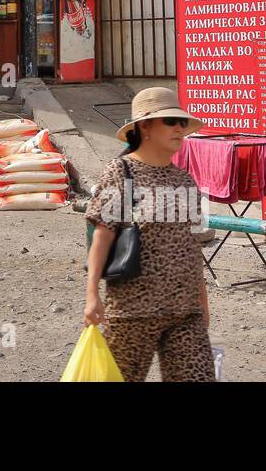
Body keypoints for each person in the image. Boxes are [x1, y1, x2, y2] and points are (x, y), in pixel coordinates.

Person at [84, 87, 214, 382]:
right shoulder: (121, 172)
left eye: (182, 123)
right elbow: (101, 237)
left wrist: (203, 304)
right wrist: (92, 295)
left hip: (185, 312)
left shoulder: (185, 180)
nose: (180, 129)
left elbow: (192, 246)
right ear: (145, 127)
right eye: (170, 121)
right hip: (133, 310)